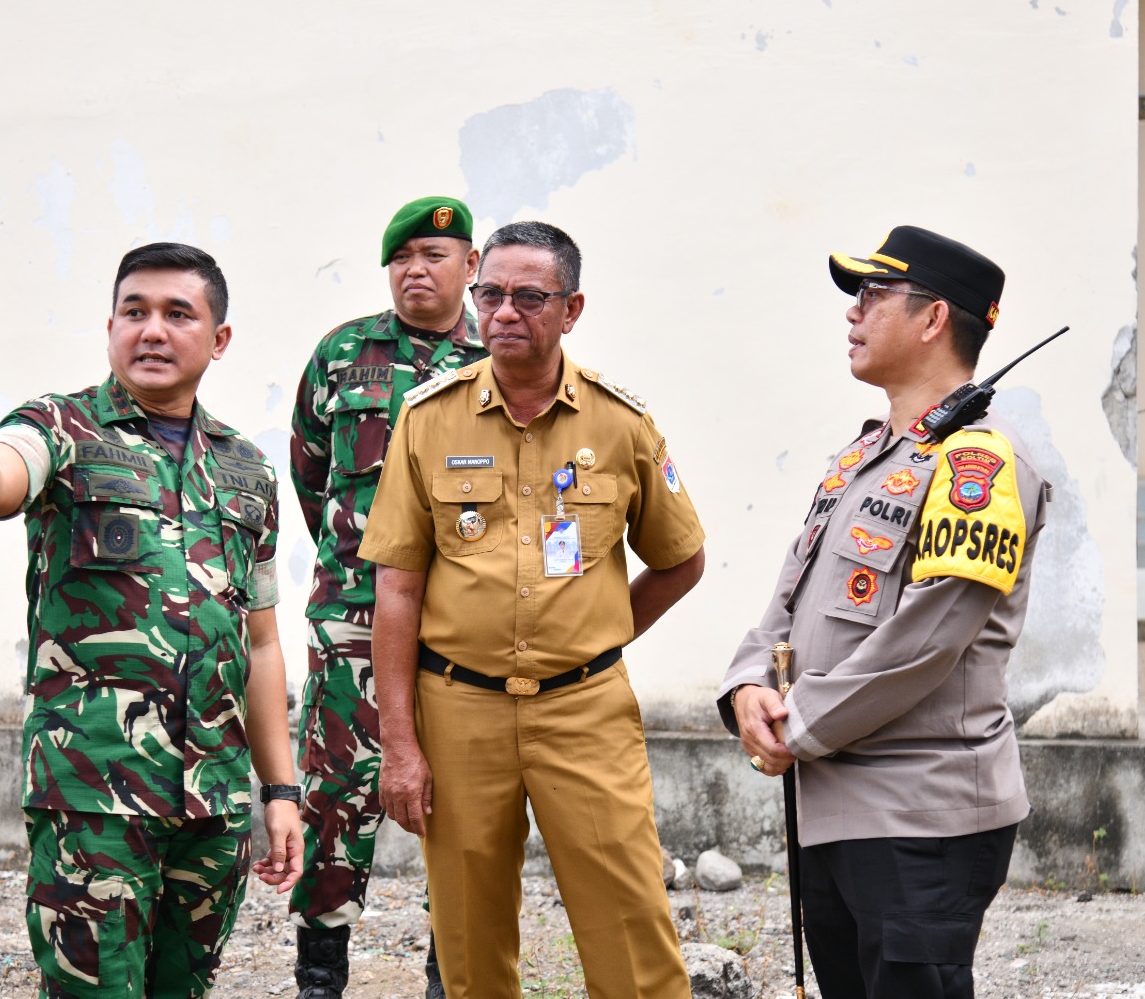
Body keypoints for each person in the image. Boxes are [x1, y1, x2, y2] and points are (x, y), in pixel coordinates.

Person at [0, 242, 303, 997]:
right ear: (111, 326)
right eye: (135, 312)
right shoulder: (60, 427)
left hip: (213, 800)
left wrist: (280, 792)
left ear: (218, 340)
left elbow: (261, 640)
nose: (152, 330)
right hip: (94, 794)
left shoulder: (246, 467)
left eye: (177, 314)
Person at [360, 221, 707, 998]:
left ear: (571, 307)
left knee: (631, 930)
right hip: (459, 713)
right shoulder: (427, 419)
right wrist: (400, 745)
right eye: (491, 294)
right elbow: (398, 592)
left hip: (585, 711)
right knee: (470, 945)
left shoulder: (621, 424)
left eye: (530, 296)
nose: (505, 312)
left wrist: (596, 632)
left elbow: (681, 560)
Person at [717, 225, 1050, 999]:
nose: (853, 312)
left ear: (934, 319)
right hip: (833, 803)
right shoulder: (861, 460)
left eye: (873, 295)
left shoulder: (981, 463)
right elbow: (786, 605)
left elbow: (926, 642)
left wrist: (794, 728)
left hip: (919, 812)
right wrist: (746, 690)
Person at [288, 196, 486, 997]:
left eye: (434, 256)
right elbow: (311, 474)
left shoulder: (497, 356)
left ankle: (452, 970)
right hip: (352, 623)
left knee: (464, 799)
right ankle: (320, 973)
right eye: (402, 258)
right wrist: (357, 563)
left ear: (470, 265)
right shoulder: (344, 354)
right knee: (335, 798)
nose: (415, 271)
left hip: (461, 623)